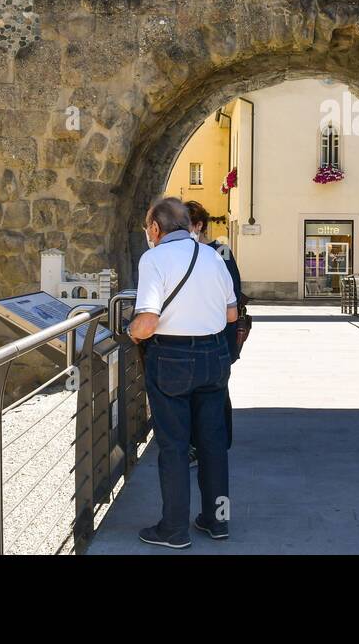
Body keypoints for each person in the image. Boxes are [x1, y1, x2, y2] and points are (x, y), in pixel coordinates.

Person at [130, 196, 237, 548]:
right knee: (213, 443)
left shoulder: (154, 258)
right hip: (214, 356)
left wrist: (132, 332)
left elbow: (147, 322)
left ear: (156, 228)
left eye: (149, 227)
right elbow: (232, 314)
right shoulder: (212, 256)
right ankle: (217, 520)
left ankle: (173, 530)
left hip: (172, 359)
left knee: (174, 446)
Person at [185, 201, 250, 460]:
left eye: (185, 224)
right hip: (195, 334)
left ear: (199, 225)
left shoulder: (220, 251)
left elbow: (232, 295)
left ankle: (217, 442)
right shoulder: (182, 253)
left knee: (216, 390)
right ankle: (199, 444)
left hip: (219, 334)